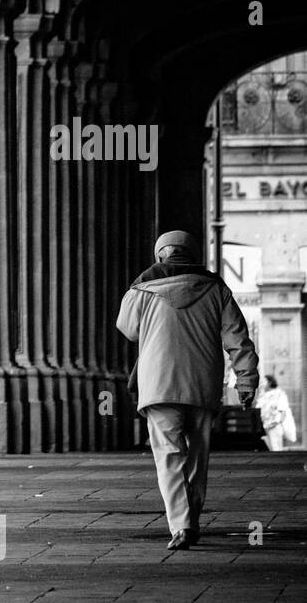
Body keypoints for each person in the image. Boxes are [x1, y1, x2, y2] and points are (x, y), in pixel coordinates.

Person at [116, 230, 259, 550]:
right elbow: (238, 339)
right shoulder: (216, 289)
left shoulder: (141, 289)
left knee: (169, 454)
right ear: (193, 255)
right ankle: (190, 518)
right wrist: (246, 380)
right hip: (201, 385)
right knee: (197, 455)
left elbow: (128, 329)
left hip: (159, 384)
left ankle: (181, 524)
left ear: (160, 255)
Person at [256, 375, 297, 451]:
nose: (261, 384)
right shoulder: (263, 396)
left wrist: (276, 423)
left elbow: (283, 412)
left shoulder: (279, 394)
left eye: (264, 381)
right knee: (269, 448)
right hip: (265, 426)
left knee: (276, 449)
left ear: (270, 382)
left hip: (274, 426)